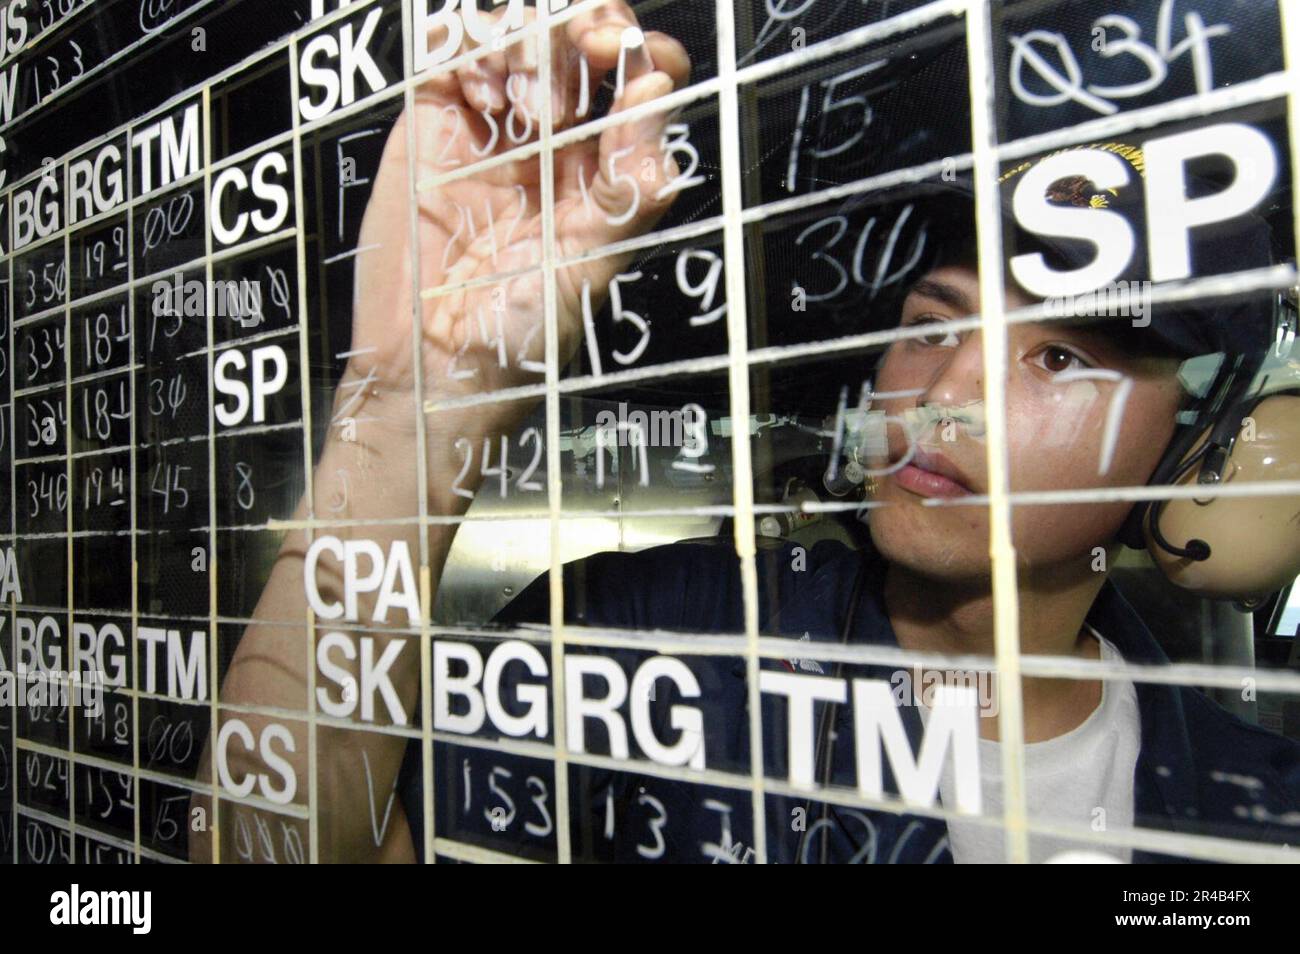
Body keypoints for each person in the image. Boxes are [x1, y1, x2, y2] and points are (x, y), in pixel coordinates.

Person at [193, 0, 1300, 864]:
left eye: (1058, 357)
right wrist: (410, 406)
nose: (946, 392)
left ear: (1186, 432)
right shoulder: (642, 645)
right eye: (930, 326)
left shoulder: (1264, 808)